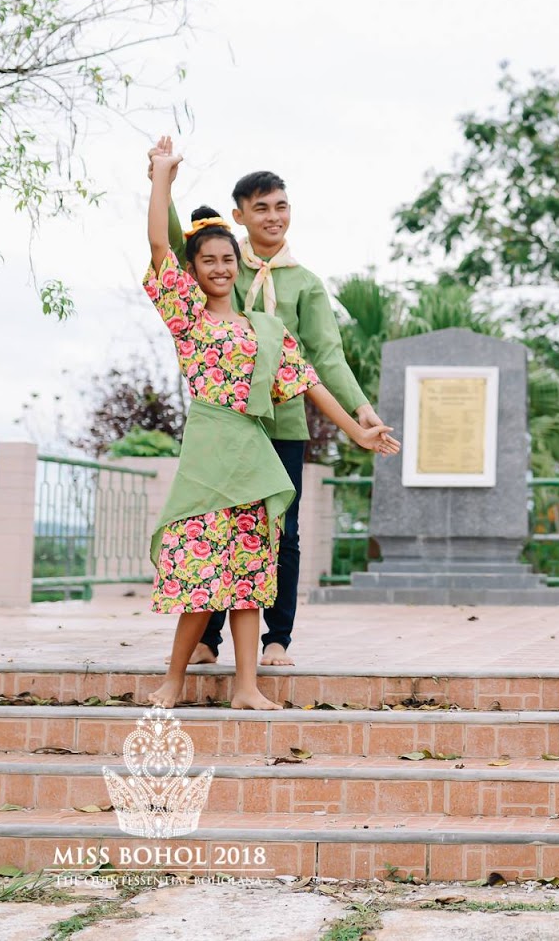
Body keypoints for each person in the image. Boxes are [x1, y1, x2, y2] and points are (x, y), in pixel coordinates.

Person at [141, 139, 398, 710]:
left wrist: (359, 429)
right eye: (207, 261)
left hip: (256, 452)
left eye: (226, 260)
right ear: (197, 270)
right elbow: (160, 244)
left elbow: (309, 379)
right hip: (209, 453)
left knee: (252, 570)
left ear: (238, 264)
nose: (218, 268)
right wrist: (161, 177)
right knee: (202, 568)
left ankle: (247, 687)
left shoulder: (267, 329)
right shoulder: (187, 318)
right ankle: (173, 679)